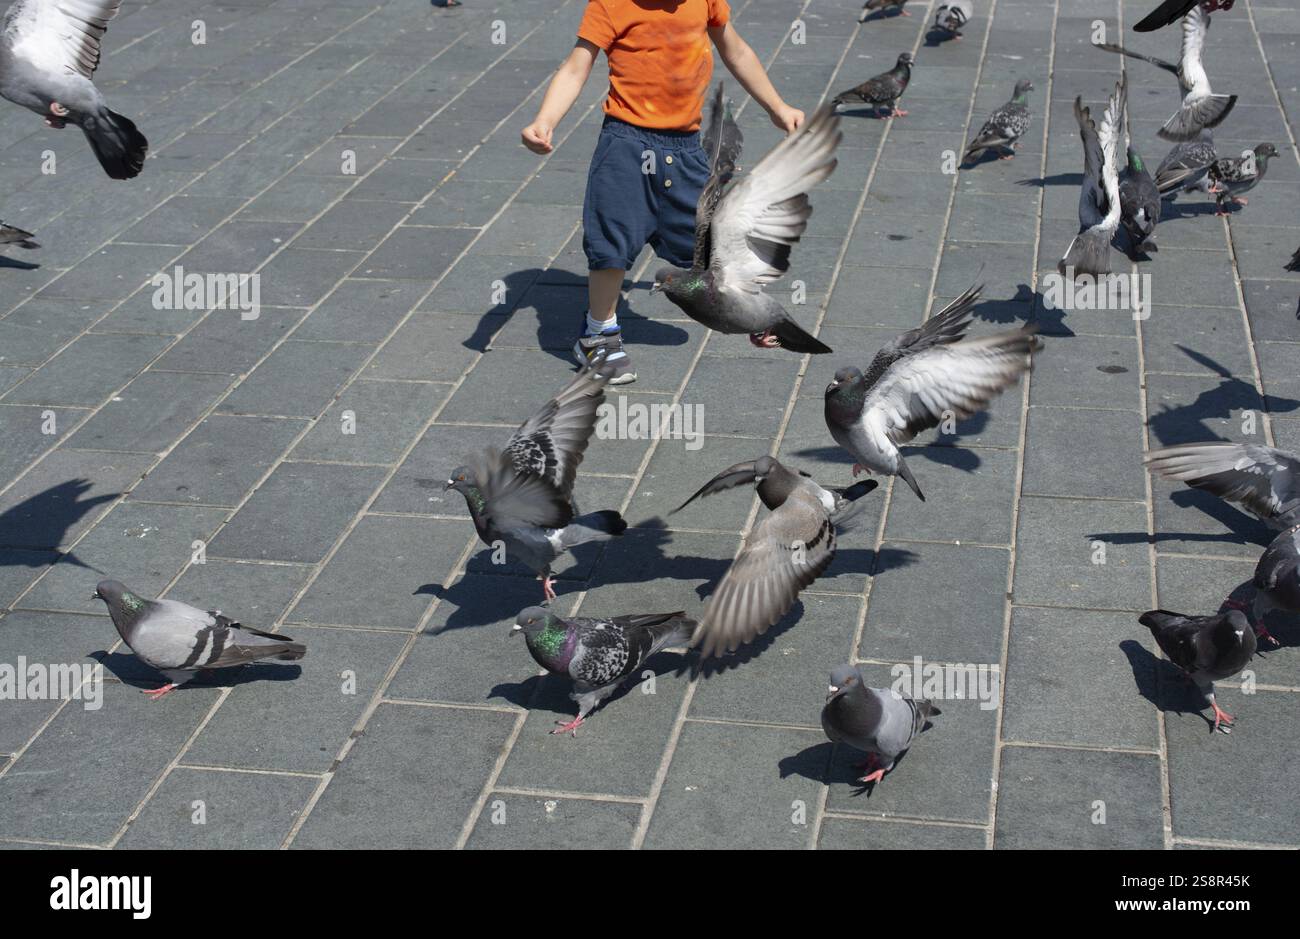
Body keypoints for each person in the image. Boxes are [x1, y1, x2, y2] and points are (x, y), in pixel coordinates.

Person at [520, 0, 804, 384]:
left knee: (704, 247)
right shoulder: (609, 4)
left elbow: (735, 49)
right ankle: (598, 333)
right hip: (626, 144)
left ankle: (747, 315)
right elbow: (576, 66)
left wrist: (776, 105)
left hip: (684, 149)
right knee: (611, 242)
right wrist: (545, 120)